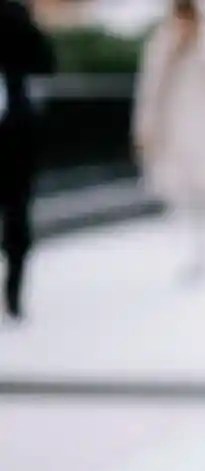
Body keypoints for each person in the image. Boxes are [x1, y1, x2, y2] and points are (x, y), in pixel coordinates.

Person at [133, 0, 205, 283]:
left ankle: (201, 254)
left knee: (204, 190)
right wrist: (144, 127)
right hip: (172, 128)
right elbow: (150, 88)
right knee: (175, 190)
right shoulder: (161, 40)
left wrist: (201, 46)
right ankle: (184, 255)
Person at [0, 0, 55, 322]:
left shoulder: (17, 16)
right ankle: (13, 294)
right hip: (18, 135)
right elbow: (46, 61)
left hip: (16, 135)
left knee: (17, 217)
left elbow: (45, 61)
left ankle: (14, 293)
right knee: (17, 216)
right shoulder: (19, 16)